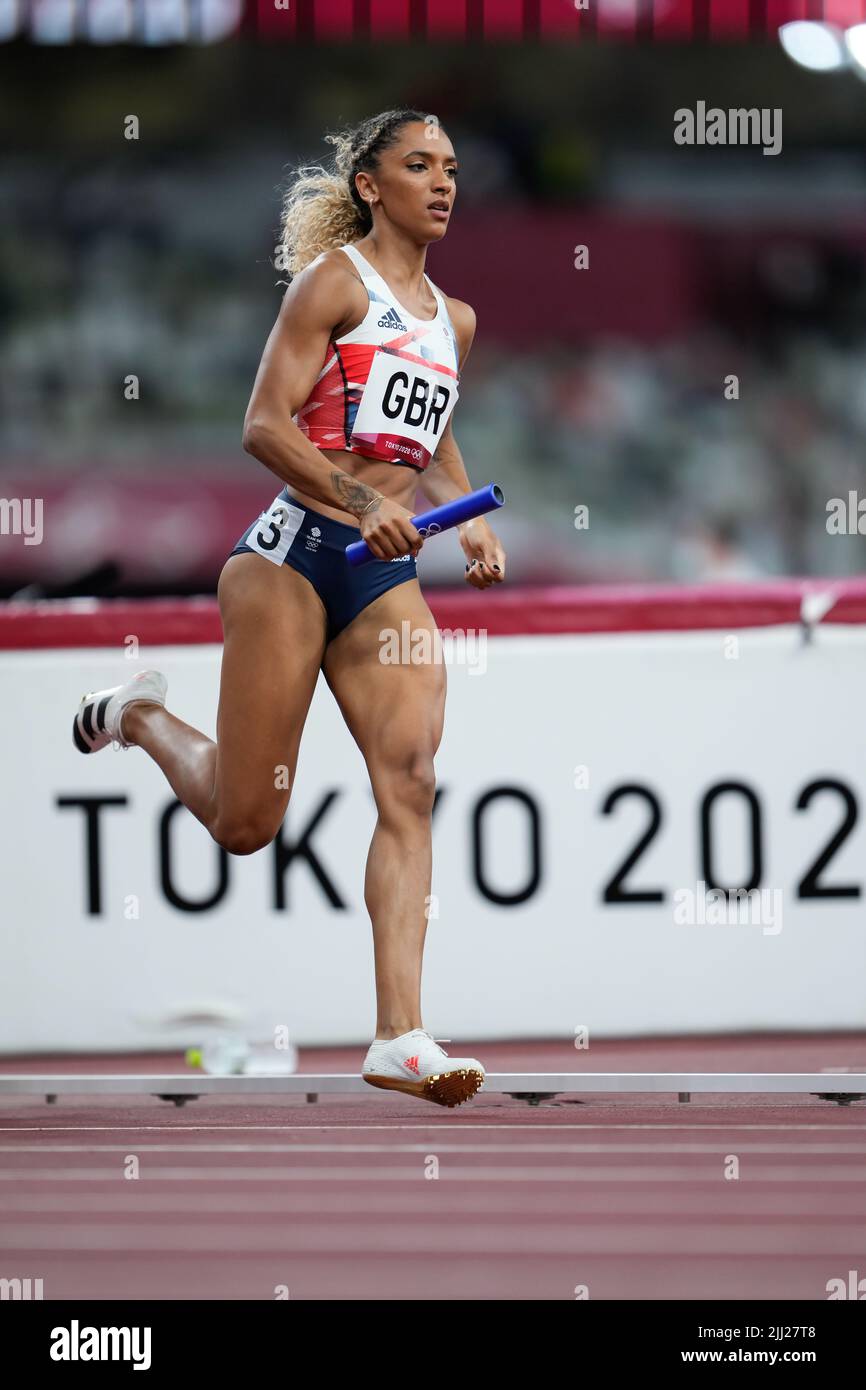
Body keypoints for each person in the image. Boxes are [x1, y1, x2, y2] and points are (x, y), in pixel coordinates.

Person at [72, 108, 507, 1108]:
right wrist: (358, 500)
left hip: (380, 579)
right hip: (290, 561)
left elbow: (430, 431)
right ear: (369, 185)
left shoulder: (457, 319)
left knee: (411, 778)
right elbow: (262, 426)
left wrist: (461, 514)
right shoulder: (333, 286)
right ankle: (141, 714)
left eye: (449, 167)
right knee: (244, 822)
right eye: (417, 166)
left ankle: (399, 1033)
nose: (441, 183)